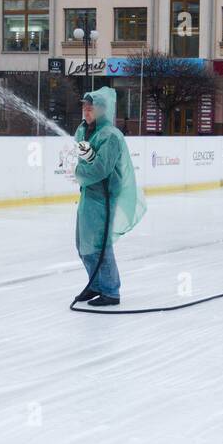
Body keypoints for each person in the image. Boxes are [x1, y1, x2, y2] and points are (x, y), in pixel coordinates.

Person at [73, 88, 145, 307]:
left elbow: (101, 169)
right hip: (89, 195)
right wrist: (86, 157)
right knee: (82, 244)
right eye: (84, 107)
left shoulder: (110, 136)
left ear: (102, 110)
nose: (86, 111)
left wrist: (80, 169)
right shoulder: (84, 131)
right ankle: (96, 284)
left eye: (90, 107)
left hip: (104, 197)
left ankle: (111, 290)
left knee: (99, 244)